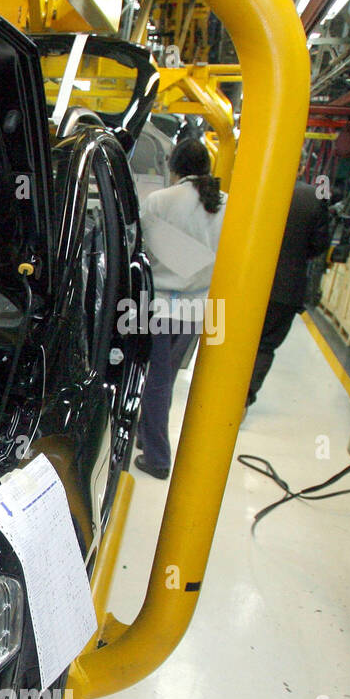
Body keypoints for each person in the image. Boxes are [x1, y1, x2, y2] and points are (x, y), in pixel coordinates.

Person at [135, 138, 227, 481]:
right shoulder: (224, 204)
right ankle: (146, 436)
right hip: (199, 308)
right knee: (165, 379)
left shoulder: (159, 201)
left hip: (158, 305)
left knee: (155, 381)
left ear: (173, 166)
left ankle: (157, 457)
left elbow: (141, 251)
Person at [245, 179, 331, 409]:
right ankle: (245, 397)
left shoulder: (253, 184)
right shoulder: (314, 199)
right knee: (265, 345)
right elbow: (320, 244)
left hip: (245, 282)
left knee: (237, 339)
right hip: (286, 288)